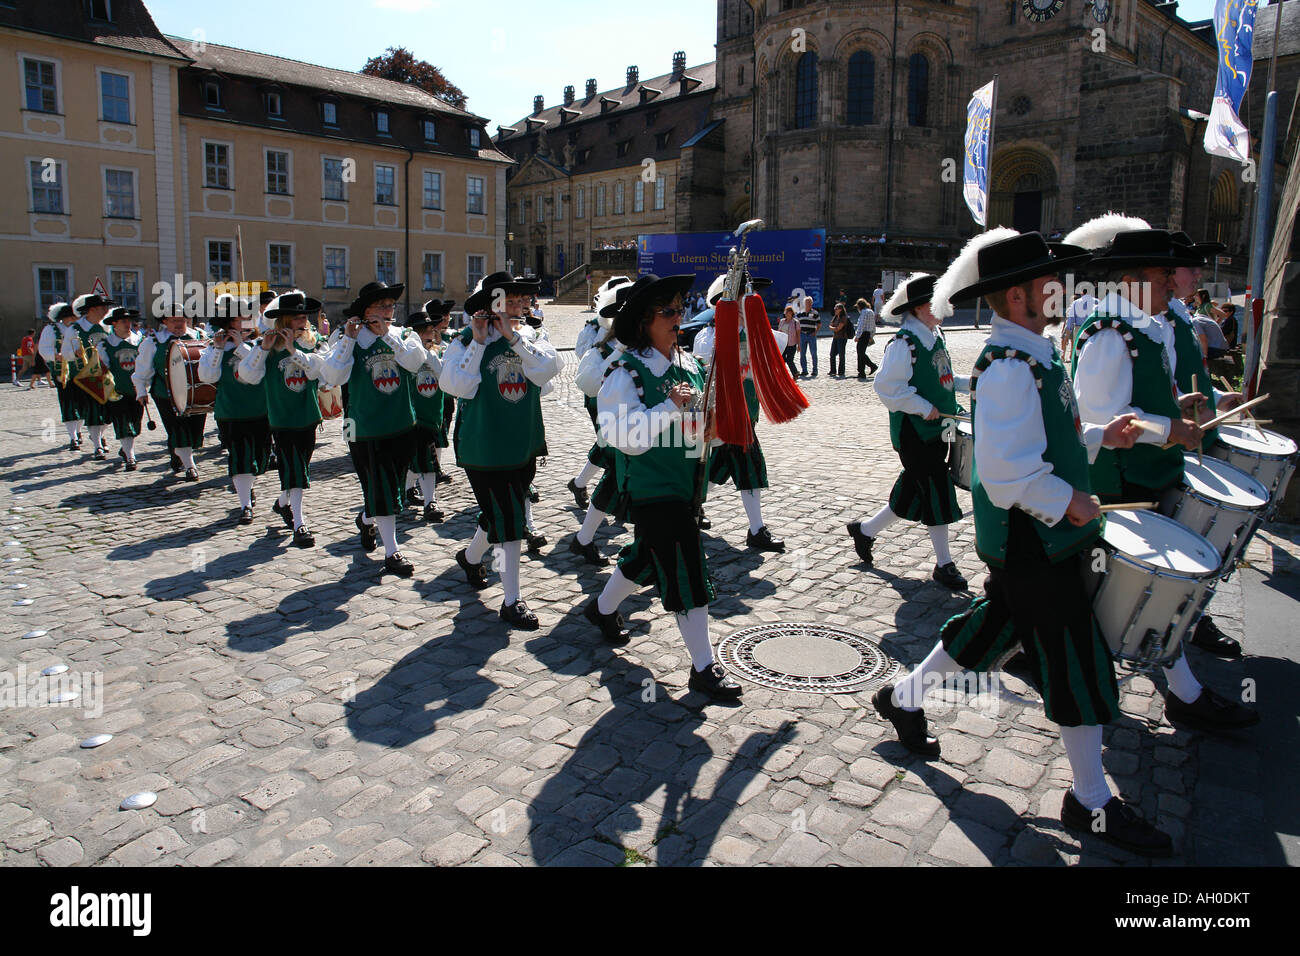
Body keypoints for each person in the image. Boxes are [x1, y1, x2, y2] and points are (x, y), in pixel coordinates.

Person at [875, 228, 1179, 856]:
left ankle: (902, 698)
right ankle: (1090, 799)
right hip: (1031, 540)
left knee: (995, 625)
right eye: (1049, 283)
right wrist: (1066, 499)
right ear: (1018, 297)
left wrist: (1099, 437)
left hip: (1034, 541)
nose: (1062, 290)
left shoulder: (1035, 353)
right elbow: (1008, 470)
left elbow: (1048, 437)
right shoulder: (1011, 365)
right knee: (1074, 656)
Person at [1071, 226, 1260, 722]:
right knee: (1143, 588)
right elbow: (1096, 419)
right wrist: (1168, 427)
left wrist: (1178, 407)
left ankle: (1181, 690)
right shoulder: (1111, 332)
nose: (1175, 286)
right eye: (1163, 277)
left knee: (1148, 588)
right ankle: (1184, 693)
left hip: (1151, 471)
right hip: (1121, 478)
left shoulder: (1149, 326)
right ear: (1131, 280)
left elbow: (1138, 402)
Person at [583, 273, 743, 701]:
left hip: (686, 483)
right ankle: (704, 667)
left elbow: (694, 432)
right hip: (651, 487)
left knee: (645, 558)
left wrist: (711, 427)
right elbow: (621, 438)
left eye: (680, 308)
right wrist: (669, 406)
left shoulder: (688, 364)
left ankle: (601, 610)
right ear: (643, 322)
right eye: (667, 311)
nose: (678, 318)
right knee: (685, 567)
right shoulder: (624, 372)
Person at [440, 272, 562, 628]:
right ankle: (512, 600)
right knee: (510, 522)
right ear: (489, 307)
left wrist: (514, 340)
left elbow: (550, 371)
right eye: (508, 302)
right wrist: (479, 343)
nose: (517, 308)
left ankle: (470, 557)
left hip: (522, 443)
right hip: (484, 447)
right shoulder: (464, 342)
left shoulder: (529, 338)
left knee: (499, 513)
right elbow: (455, 386)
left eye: (518, 302)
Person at [847, 273, 967, 590]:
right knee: (936, 490)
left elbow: (944, 379)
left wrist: (971, 384)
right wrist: (920, 406)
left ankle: (865, 531)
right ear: (917, 308)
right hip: (915, 434)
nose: (944, 307)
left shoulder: (935, 336)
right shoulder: (904, 343)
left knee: (913, 491)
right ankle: (944, 565)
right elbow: (886, 387)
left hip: (938, 429)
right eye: (936, 302)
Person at [320, 281, 427, 574]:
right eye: (382, 305)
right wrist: (348, 340)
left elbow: (417, 364)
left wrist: (388, 337)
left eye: (391, 305)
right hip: (360, 426)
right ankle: (392, 552)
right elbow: (330, 376)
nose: (389, 310)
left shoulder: (403, 335)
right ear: (366, 311)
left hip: (403, 422)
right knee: (378, 485)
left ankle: (367, 519)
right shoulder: (346, 339)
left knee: (390, 487)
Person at [692, 272, 785, 551]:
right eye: (745, 296)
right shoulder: (713, 335)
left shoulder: (752, 332)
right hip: (726, 413)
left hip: (746, 411)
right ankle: (756, 530)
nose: (751, 301)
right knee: (749, 467)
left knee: (715, 469)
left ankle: (692, 509)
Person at [238, 291, 327, 547]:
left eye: (304, 317)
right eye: (297, 318)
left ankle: (282, 504)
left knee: (301, 468)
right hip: (281, 418)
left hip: (308, 414)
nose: (302, 322)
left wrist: (292, 349)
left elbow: (316, 373)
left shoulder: (313, 342)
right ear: (284, 321)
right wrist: (264, 349)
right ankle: (299, 524)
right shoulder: (265, 345)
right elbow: (248, 376)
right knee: (294, 469)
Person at [569, 277, 635, 562]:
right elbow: (588, 382)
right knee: (612, 471)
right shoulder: (602, 349)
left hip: (638, 426)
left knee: (616, 476)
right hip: (612, 418)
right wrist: (618, 353)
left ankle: (584, 538)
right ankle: (585, 538)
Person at [199, 294, 271, 526]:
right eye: (243, 318)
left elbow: (256, 367)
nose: (249, 322)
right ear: (230, 322)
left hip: (260, 411)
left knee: (259, 459)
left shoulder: (260, 346)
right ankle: (245, 504)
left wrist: (241, 345)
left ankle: (246, 487)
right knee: (239, 459)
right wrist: (219, 349)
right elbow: (207, 377)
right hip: (230, 411)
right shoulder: (214, 347)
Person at [132, 305, 207, 480]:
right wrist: (141, 391)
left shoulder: (198, 337)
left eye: (182, 320)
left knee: (194, 431)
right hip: (165, 394)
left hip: (196, 394)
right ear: (165, 322)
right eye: (174, 320)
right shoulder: (153, 342)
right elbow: (142, 369)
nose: (179, 324)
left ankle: (177, 455)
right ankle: (190, 466)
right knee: (177, 428)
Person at [402, 305, 447, 523]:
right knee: (426, 459)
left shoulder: (437, 352)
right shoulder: (406, 355)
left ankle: (409, 490)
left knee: (420, 458)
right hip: (413, 415)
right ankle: (430, 502)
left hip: (432, 413)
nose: (431, 333)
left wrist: (429, 352)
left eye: (431, 329)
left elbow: (443, 375)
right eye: (426, 330)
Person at [97, 307, 144, 470]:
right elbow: (102, 369)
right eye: (123, 321)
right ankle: (131, 458)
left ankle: (125, 449)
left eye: (129, 321)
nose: (127, 324)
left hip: (137, 390)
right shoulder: (105, 345)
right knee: (123, 424)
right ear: (114, 324)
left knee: (136, 425)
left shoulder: (140, 341)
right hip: (117, 391)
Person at [71, 293, 116, 458]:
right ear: (91, 310)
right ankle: (97, 445)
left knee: (109, 412)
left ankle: (98, 435)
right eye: (103, 308)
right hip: (87, 376)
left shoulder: (108, 327)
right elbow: (66, 351)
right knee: (93, 410)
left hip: (107, 374)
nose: (106, 311)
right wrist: (74, 353)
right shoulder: (75, 328)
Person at [37, 303, 85, 448]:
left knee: (82, 402)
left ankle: (79, 431)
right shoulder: (51, 330)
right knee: (67, 402)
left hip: (79, 371)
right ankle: (73, 436)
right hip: (61, 372)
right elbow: (43, 349)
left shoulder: (78, 329)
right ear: (67, 317)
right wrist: (54, 355)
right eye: (74, 316)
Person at [854, 298, 878, 378]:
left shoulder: (864, 312)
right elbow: (873, 325)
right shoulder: (871, 311)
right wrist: (872, 335)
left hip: (863, 334)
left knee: (860, 353)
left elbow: (861, 325)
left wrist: (857, 336)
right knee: (861, 352)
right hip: (868, 334)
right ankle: (862, 372)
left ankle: (871, 366)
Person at [797, 296, 819, 377]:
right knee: (802, 354)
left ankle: (815, 370)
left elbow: (819, 323)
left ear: (812, 303)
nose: (808, 304)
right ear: (804, 303)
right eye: (807, 303)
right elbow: (797, 324)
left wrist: (815, 332)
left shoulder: (815, 313)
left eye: (810, 303)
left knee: (813, 353)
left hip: (811, 334)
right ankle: (804, 370)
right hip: (802, 334)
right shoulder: (799, 313)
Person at [829, 303, 852, 378]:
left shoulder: (843, 317)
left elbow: (838, 328)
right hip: (835, 337)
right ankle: (833, 370)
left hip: (842, 338)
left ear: (841, 309)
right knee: (832, 354)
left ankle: (841, 371)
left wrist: (834, 328)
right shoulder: (835, 317)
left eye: (836, 309)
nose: (835, 310)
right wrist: (834, 328)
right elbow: (830, 325)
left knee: (841, 355)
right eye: (835, 308)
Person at [778, 305, 800, 378]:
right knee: (781, 360)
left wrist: (799, 345)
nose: (787, 314)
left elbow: (798, 334)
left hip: (791, 344)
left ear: (792, 313)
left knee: (790, 360)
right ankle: (782, 375)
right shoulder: (782, 321)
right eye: (786, 312)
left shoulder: (795, 322)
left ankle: (795, 373)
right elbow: (779, 332)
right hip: (783, 344)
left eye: (789, 312)